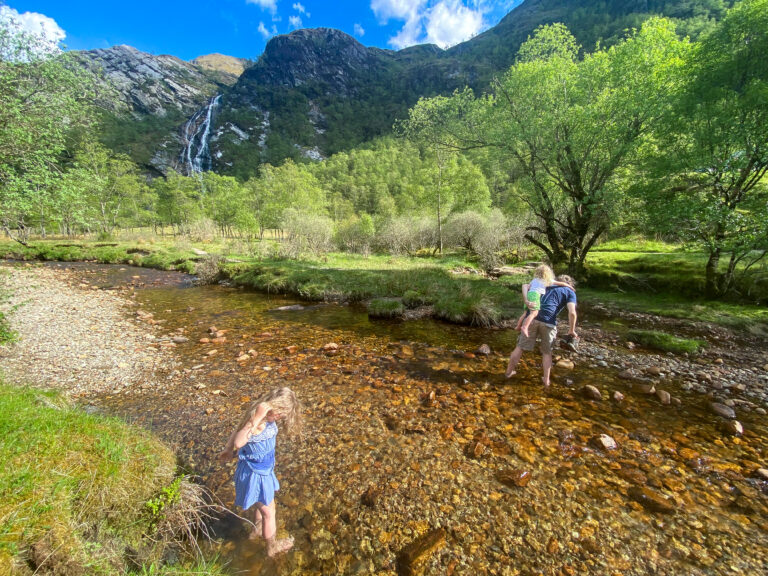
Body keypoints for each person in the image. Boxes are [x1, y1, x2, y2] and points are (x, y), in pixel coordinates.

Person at [218, 387, 301, 557]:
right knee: (270, 512)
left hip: (263, 471)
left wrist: (228, 450)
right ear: (272, 405)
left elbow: (236, 431)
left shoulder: (266, 418)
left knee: (261, 504)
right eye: (279, 413)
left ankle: (256, 531)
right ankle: (272, 547)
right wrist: (255, 419)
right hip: (255, 475)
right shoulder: (257, 422)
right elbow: (240, 441)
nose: (279, 418)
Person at [506, 275, 578, 387]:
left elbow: (531, 296)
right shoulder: (570, 291)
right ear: (570, 284)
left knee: (520, 347)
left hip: (532, 318)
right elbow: (572, 313)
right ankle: (546, 380)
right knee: (547, 352)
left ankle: (508, 373)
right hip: (549, 322)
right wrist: (571, 330)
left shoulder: (545, 284)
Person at [514, 264, 570, 338]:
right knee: (534, 313)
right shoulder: (546, 280)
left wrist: (527, 300)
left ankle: (518, 326)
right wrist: (570, 286)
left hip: (529, 294)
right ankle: (525, 327)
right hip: (535, 295)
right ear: (548, 273)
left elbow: (527, 287)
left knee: (525, 313)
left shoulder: (534, 280)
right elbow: (561, 283)